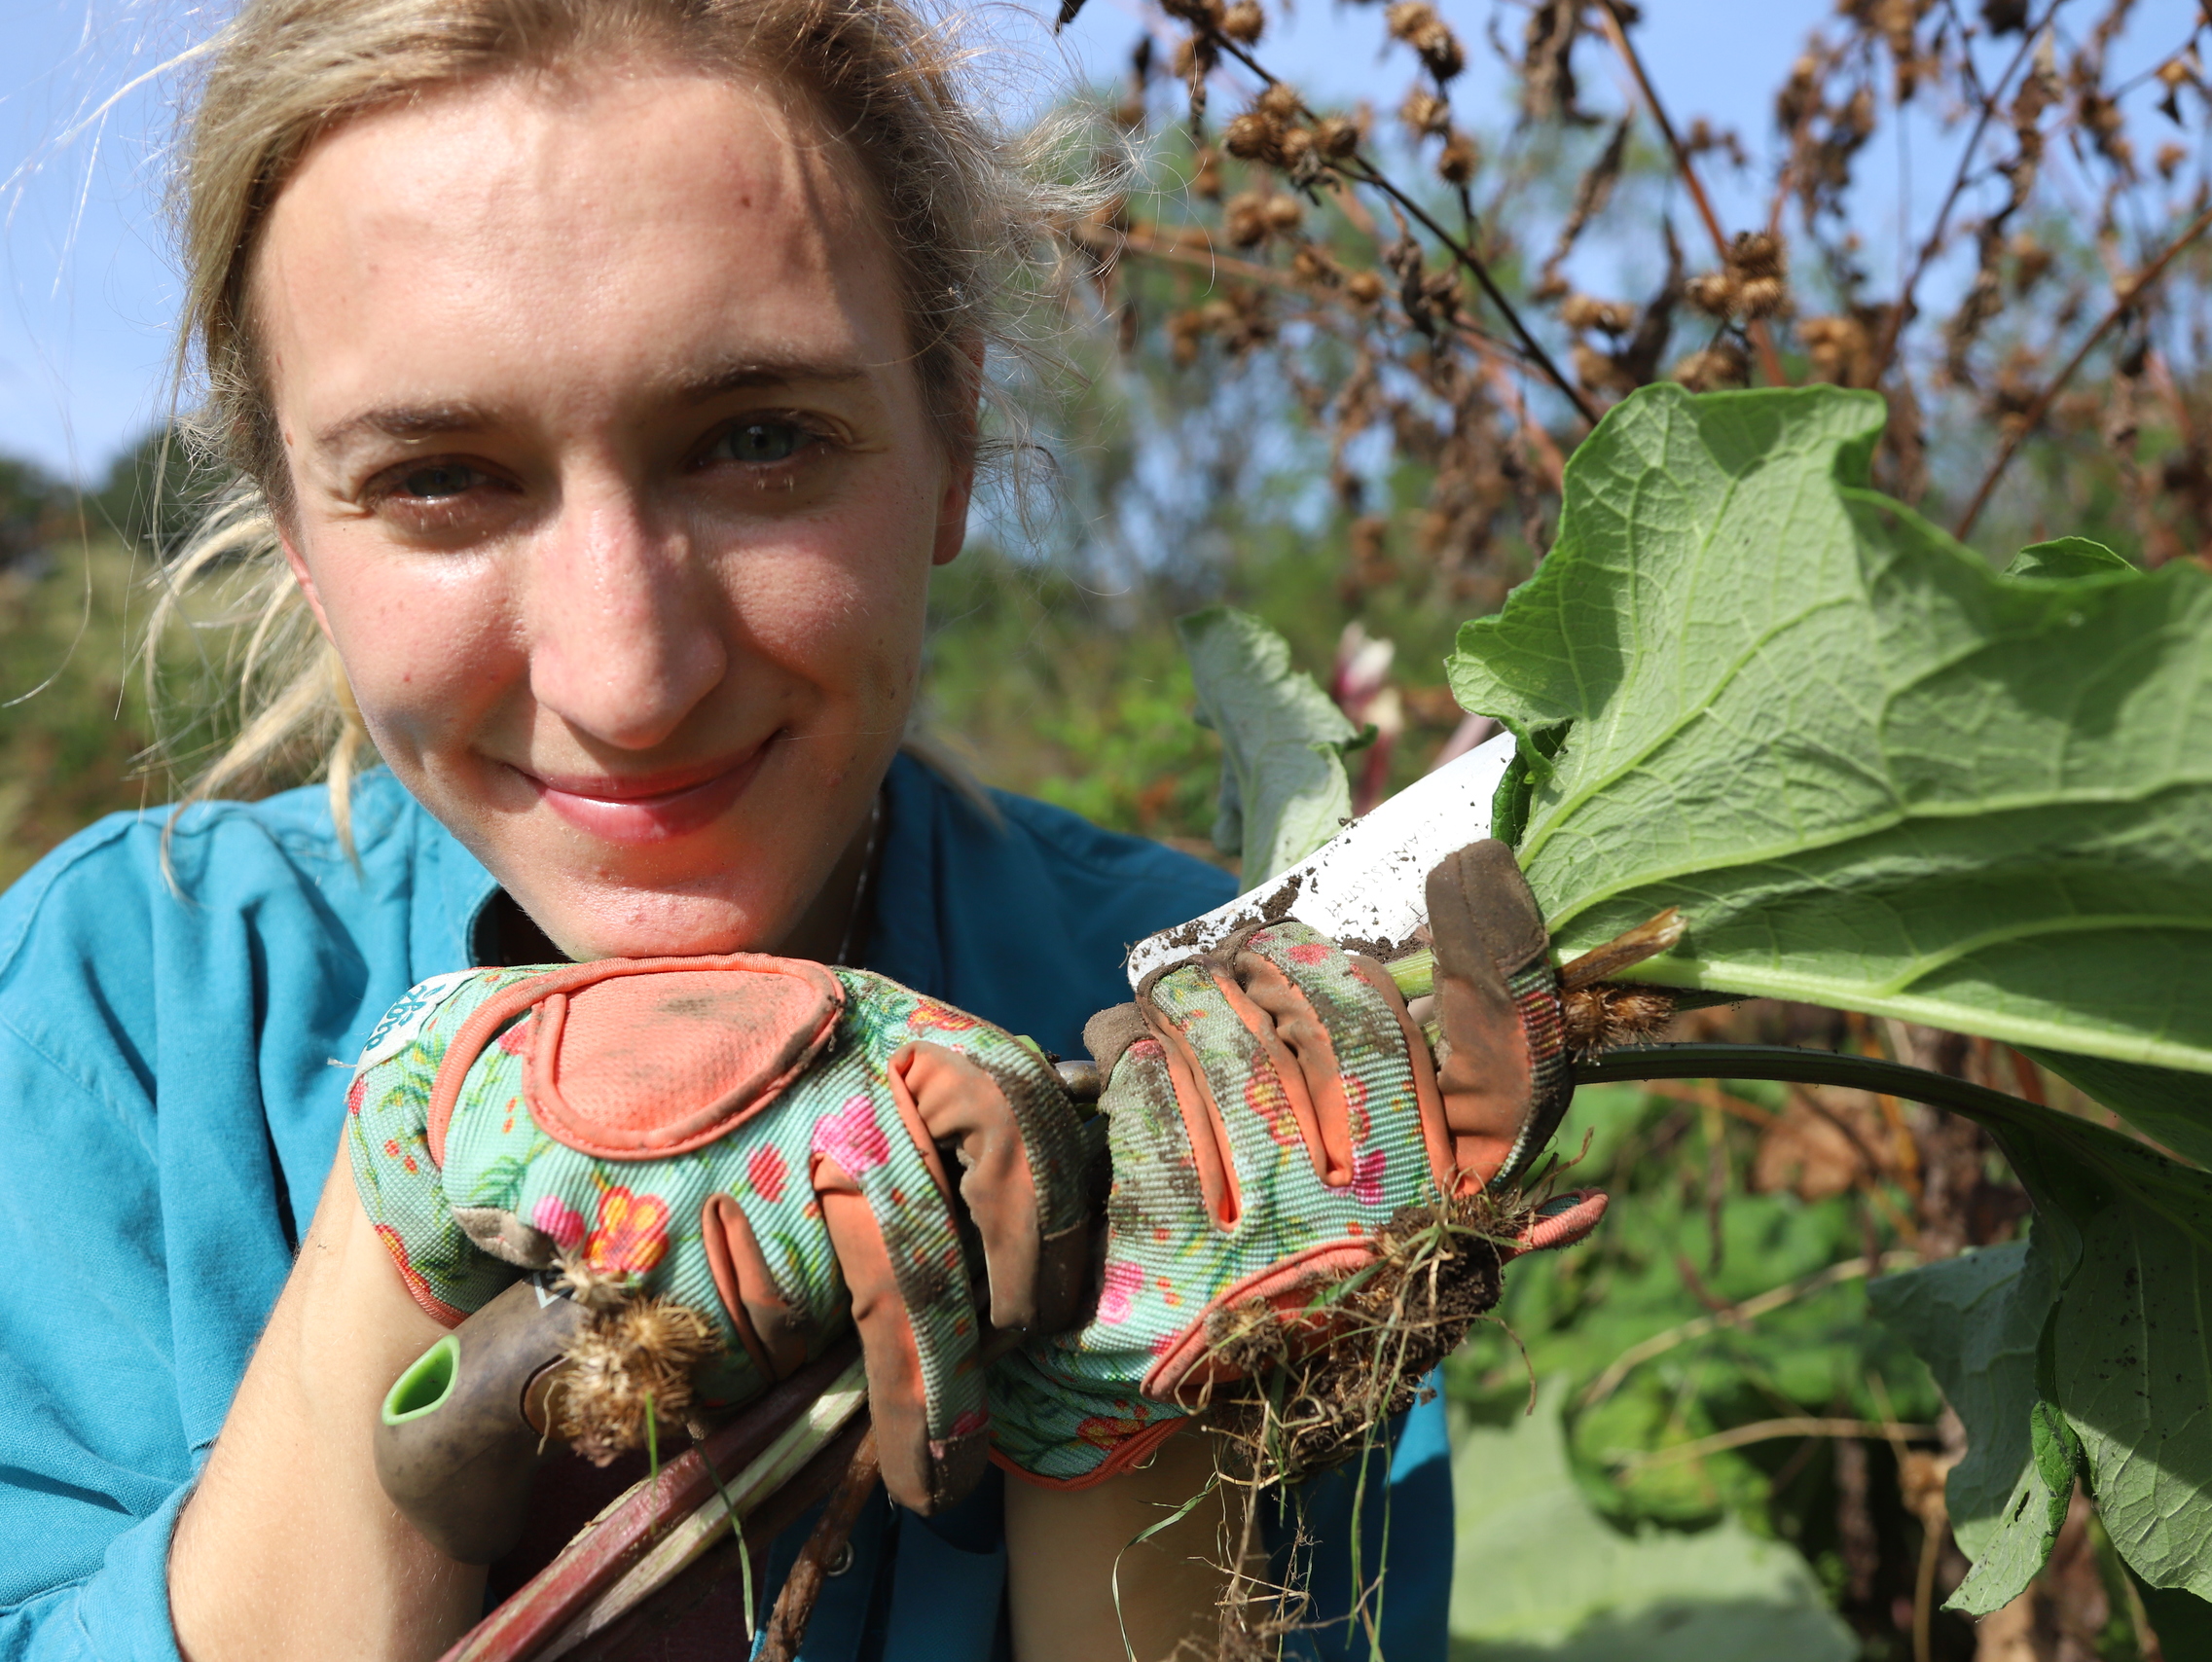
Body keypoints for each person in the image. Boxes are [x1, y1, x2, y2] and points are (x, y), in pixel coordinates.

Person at [0, 1, 1466, 1656]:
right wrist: (404, 1185)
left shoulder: (1211, 1044)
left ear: (956, 438)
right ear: (291, 521)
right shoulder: (122, 1012)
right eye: (438, 479)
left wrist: (1144, 1376)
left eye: (758, 442)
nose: (628, 680)